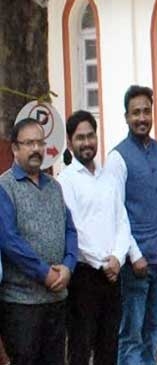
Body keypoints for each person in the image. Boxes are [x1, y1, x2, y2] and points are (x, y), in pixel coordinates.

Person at [106, 86, 157, 365]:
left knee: (156, 328)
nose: (142, 117)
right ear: (126, 116)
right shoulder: (117, 158)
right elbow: (117, 213)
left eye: (146, 111)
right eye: (135, 112)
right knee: (132, 332)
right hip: (135, 262)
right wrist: (134, 254)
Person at [57, 110, 136, 365]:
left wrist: (117, 258)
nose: (87, 142)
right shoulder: (66, 181)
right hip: (84, 276)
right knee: (81, 347)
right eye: (80, 138)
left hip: (113, 274)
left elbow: (122, 221)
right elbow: (74, 230)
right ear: (70, 142)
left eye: (91, 136)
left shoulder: (108, 178)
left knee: (109, 345)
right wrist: (103, 262)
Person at [0, 118, 78, 365]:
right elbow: (9, 241)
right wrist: (44, 273)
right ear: (15, 148)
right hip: (22, 305)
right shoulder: (5, 187)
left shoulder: (54, 187)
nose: (36, 149)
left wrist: (68, 266)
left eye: (40, 143)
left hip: (56, 300)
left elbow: (70, 231)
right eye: (29, 143)